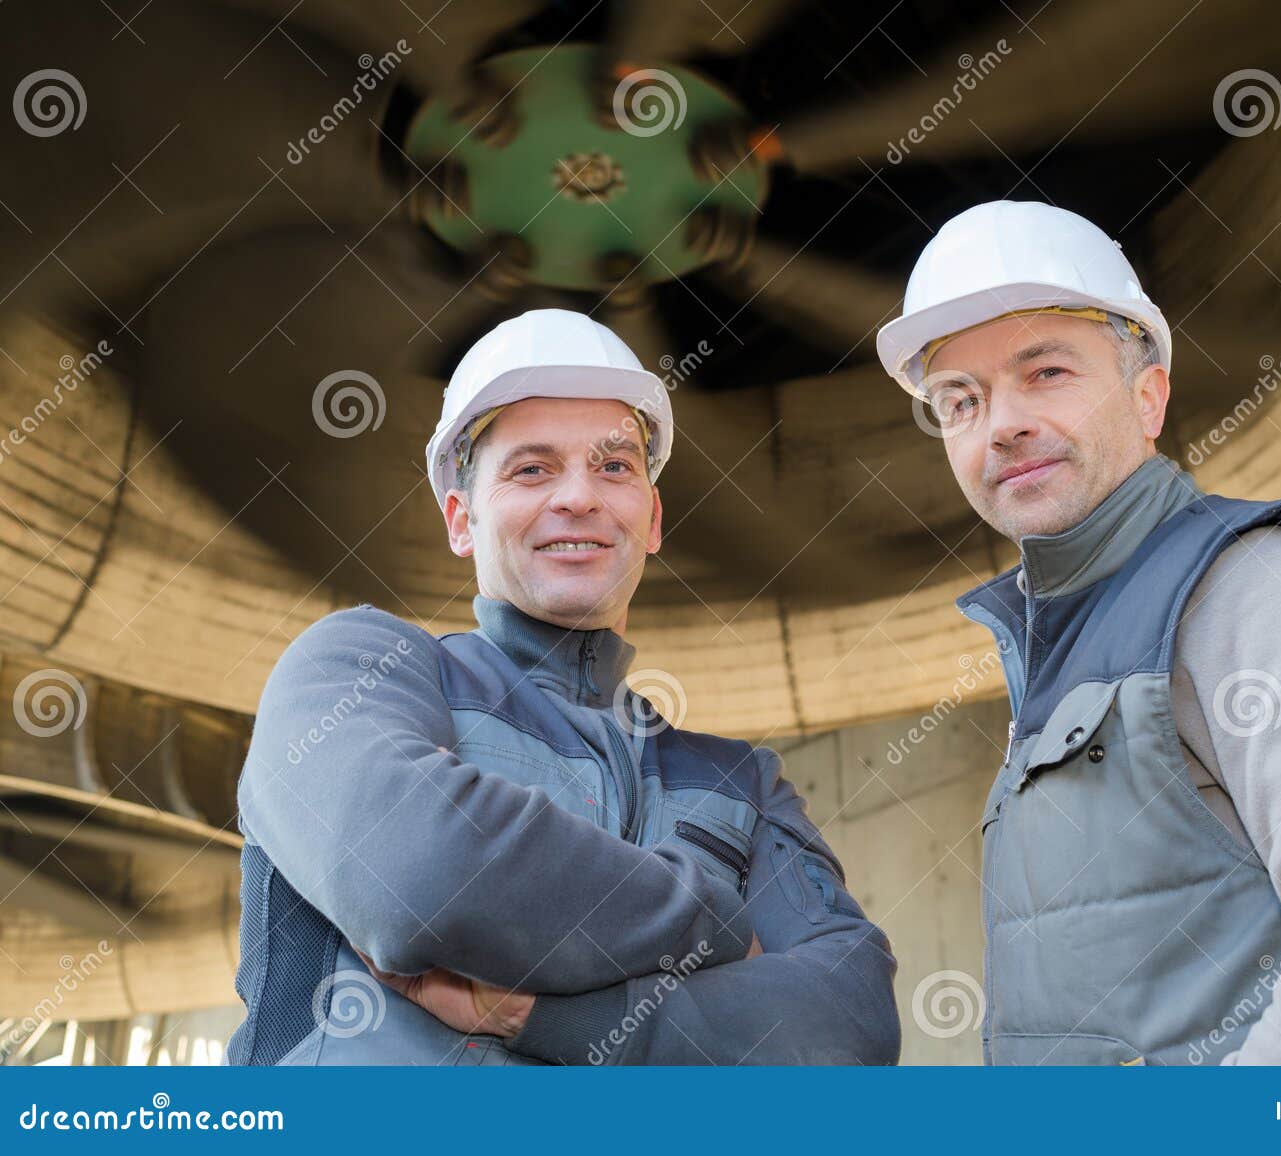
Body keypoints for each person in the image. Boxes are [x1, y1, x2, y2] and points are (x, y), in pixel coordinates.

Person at [875, 199, 1281, 1065]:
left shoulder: (1266, 591)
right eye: (961, 401)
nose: (1002, 425)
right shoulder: (1063, 647)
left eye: (1046, 374)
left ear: (1148, 396)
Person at [227, 308, 899, 1065]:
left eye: (614, 467)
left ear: (650, 519)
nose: (578, 497)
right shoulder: (356, 668)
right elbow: (421, 878)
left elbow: (849, 1026)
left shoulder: (741, 781)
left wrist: (549, 1016)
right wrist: (713, 920)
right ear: (460, 519)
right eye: (532, 468)